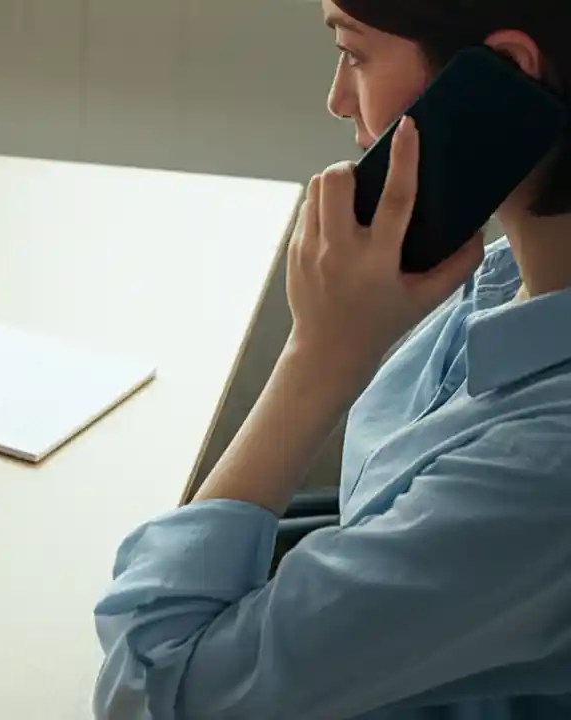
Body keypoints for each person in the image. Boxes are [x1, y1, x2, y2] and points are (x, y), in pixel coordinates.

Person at [92, 1, 571, 718]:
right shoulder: (502, 279)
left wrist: (318, 358)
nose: (338, 98)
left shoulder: (540, 471)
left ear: (503, 73)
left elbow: (152, 689)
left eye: (354, 53)